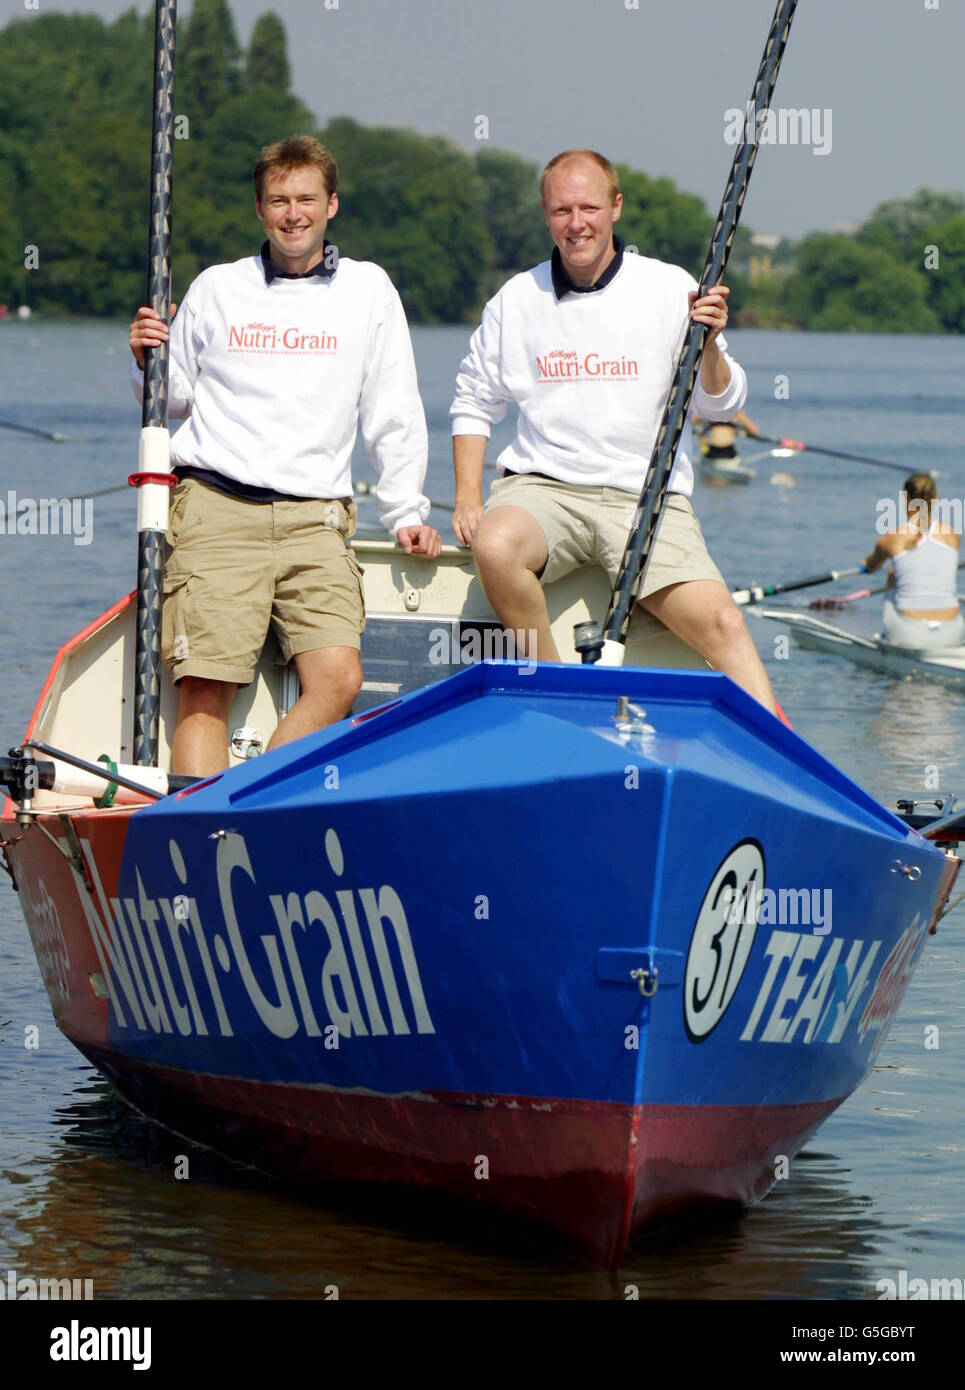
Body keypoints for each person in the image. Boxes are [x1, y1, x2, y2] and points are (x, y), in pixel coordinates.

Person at [130, 135, 441, 777]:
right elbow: (174, 399)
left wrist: (406, 506)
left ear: (332, 205)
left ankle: (252, 804)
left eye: (305, 199)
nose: (292, 213)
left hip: (318, 519)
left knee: (339, 678)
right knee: (206, 690)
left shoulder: (368, 290)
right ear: (259, 210)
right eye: (278, 200)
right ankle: (202, 830)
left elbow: (394, 407)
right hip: (216, 509)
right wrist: (145, 360)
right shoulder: (218, 288)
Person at [449, 148, 777, 713]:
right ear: (546, 215)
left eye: (589, 208)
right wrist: (466, 497)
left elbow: (722, 406)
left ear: (616, 207)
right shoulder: (515, 299)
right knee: (495, 545)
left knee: (725, 623)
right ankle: (556, 694)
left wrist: (713, 344)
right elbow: (473, 402)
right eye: (561, 211)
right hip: (543, 489)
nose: (577, 224)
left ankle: (788, 761)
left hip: (647, 496)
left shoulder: (671, 288)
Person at [864, 471, 963, 649]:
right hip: (954, 632)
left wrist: (868, 565)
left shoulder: (891, 539)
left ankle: (887, 640)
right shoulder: (953, 535)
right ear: (936, 499)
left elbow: (872, 565)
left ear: (905, 499)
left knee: (891, 582)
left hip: (910, 635)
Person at [695, 408, 759, 460]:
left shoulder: (737, 412)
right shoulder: (710, 410)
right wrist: (703, 412)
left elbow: (754, 431)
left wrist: (742, 418)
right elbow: (691, 421)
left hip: (729, 452)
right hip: (712, 451)